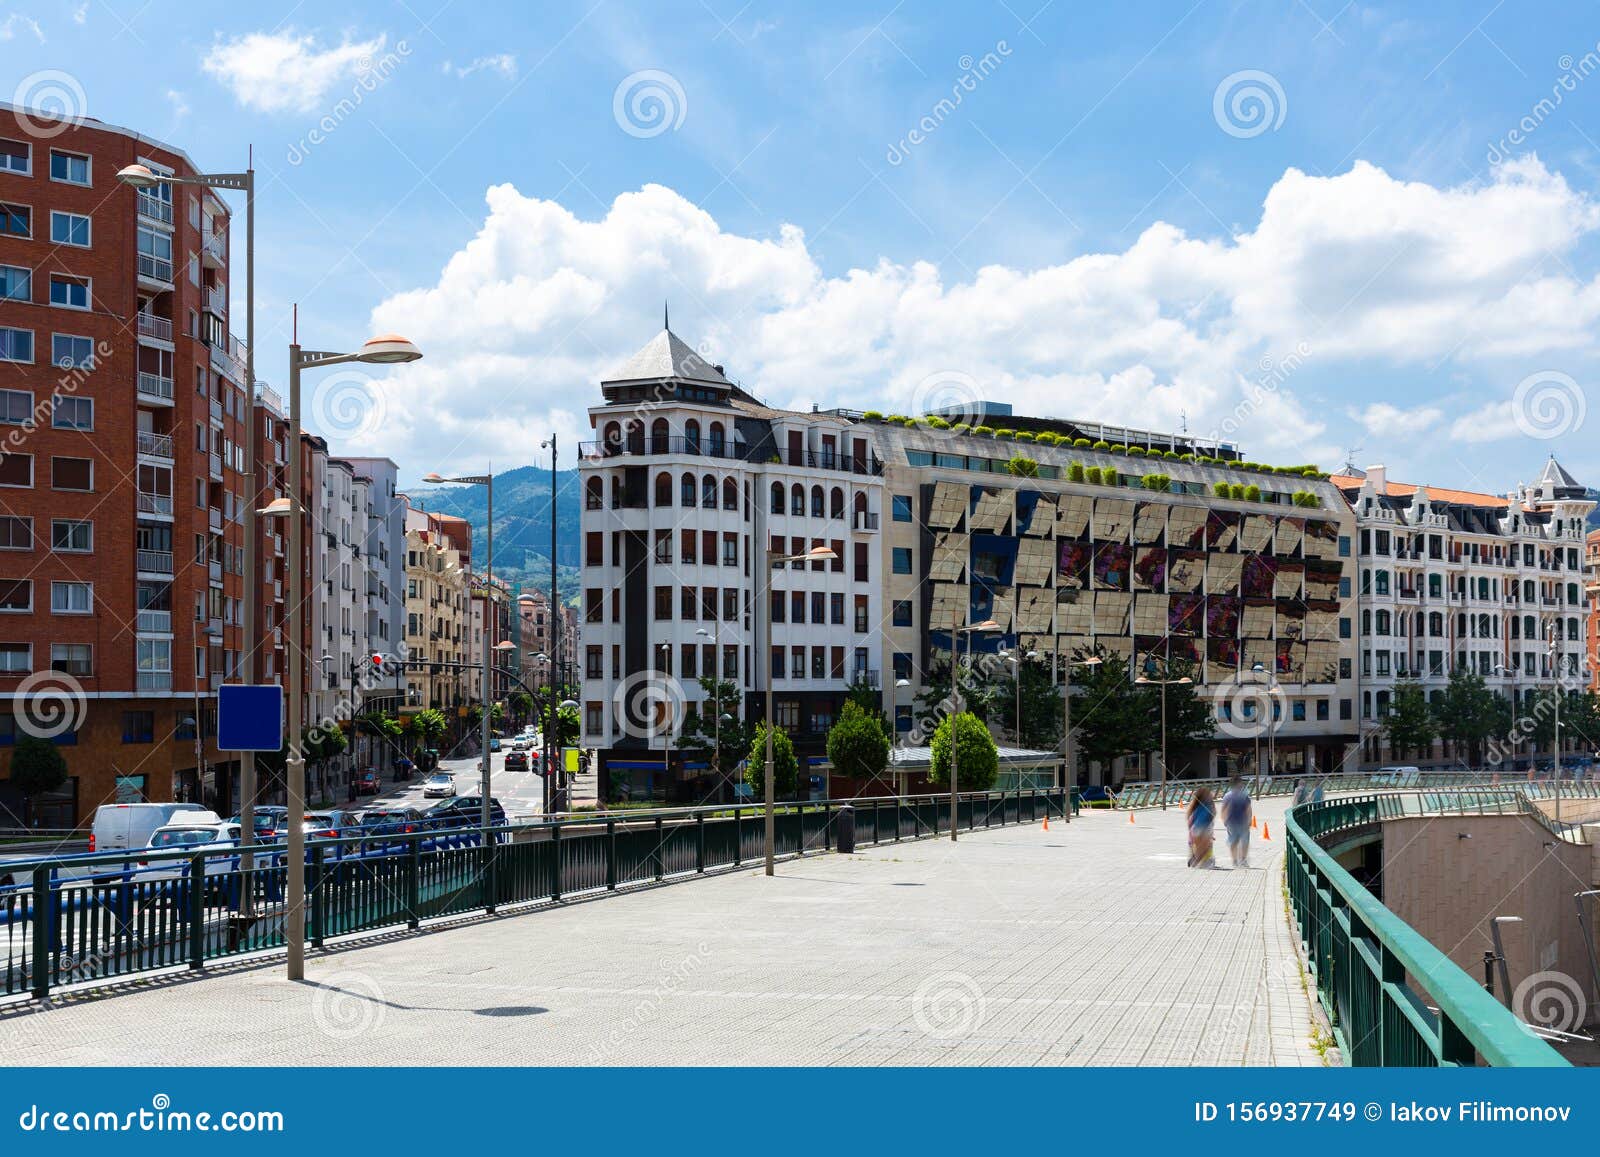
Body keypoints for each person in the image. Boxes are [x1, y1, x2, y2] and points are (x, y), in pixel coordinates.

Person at [1221, 776, 1253, 868]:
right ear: (1238, 784)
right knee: (1244, 841)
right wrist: (1249, 820)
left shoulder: (1227, 796)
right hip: (1242, 822)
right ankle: (1242, 860)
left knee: (1233, 841)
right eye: (1241, 783)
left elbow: (1223, 809)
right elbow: (1248, 810)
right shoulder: (1244, 796)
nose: (1242, 784)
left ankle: (1235, 861)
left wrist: (1224, 820)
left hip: (1231, 822)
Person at [1186, 786, 1217, 868]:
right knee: (1206, 847)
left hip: (1195, 828)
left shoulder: (1194, 805)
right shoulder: (1209, 804)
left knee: (1199, 847)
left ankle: (1195, 860)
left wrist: (1190, 831)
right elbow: (1213, 815)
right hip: (1205, 828)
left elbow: (1189, 818)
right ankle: (1198, 862)